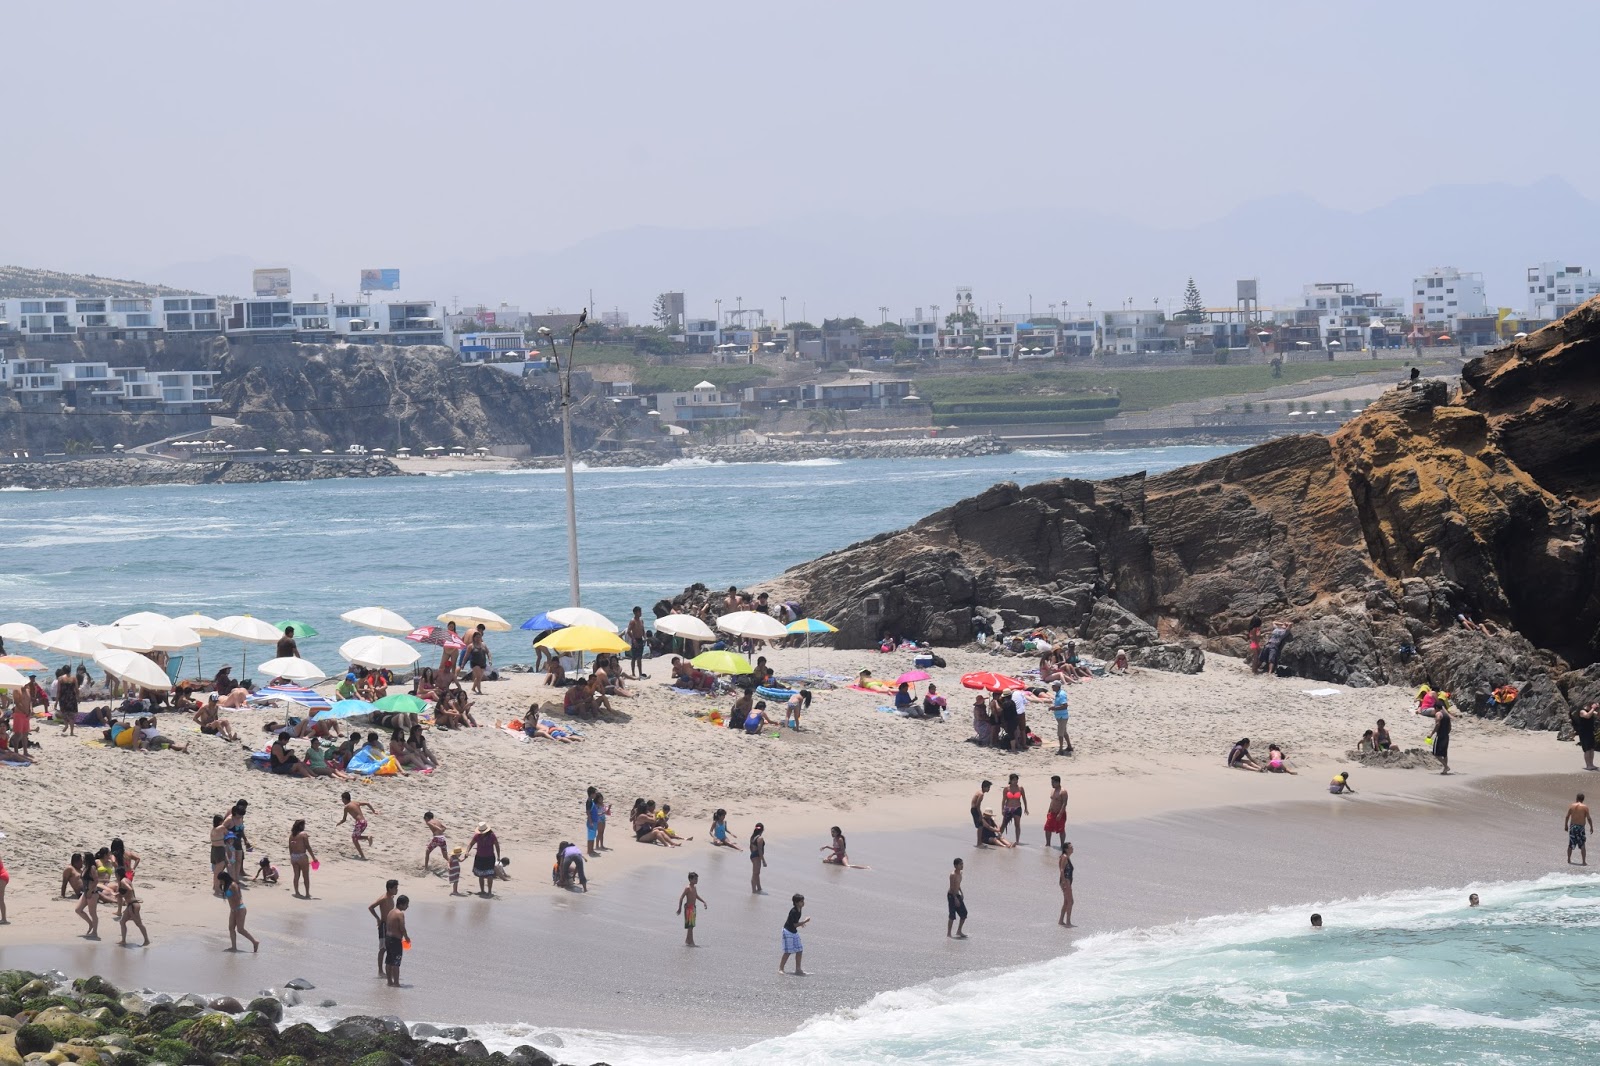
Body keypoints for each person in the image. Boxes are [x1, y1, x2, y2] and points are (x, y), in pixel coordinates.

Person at [219, 871, 258, 952]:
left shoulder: (233, 885)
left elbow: (238, 897)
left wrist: (236, 910)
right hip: (233, 910)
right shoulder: (226, 886)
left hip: (240, 909)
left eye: (221, 880)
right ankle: (234, 947)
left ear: (224, 879)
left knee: (240, 929)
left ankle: (255, 942)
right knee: (231, 928)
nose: (220, 882)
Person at [369, 879, 399, 975]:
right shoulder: (384, 898)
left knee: (389, 948)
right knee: (383, 948)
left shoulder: (391, 897)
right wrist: (378, 918)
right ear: (389, 889)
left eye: (397, 888)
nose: (397, 890)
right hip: (384, 926)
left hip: (390, 926)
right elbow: (371, 907)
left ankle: (388, 970)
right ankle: (380, 971)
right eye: (395, 888)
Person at [338, 792, 378, 858]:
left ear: (345, 799)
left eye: (342, 799)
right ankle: (367, 838)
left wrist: (339, 823)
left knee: (354, 839)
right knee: (355, 837)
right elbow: (367, 803)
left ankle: (362, 855)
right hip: (364, 822)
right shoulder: (355, 802)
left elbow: (344, 819)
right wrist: (373, 811)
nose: (342, 801)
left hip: (360, 823)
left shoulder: (346, 807)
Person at [466, 823, 501, 895]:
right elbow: (471, 844)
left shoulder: (492, 836)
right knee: (480, 874)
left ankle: (489, 891)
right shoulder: (477, 836)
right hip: (479, 857)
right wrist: (467, 851)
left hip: (490, 857)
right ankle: (482, 890)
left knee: (490, 874)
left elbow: (497, 845)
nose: (481, 833)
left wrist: (498, 856)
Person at [779, 893, 809, 975]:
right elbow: (794, 924)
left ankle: (798, 969)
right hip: (788, 931)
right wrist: (804, 921)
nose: (803, 903)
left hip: (794, 931)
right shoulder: (793, 911)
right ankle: (781, 968)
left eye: (803, 901)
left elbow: (795, 923)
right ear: (796, 902)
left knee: (799, 950)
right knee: (788, 951)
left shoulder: (799, 909)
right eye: (801, 901)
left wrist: (801, 923)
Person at [384, 895, 410, 987]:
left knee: (389, 961)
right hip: (395, 940)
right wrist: (406, 938)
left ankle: (389, 982)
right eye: (407, 904)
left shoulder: (391, 912)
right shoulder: (400, 914)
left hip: (388, 938)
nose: (408, 906)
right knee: (396, 963)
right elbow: (402, 927)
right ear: (402, 905)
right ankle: (396, 983)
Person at [677, 871, 707, 946]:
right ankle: (692, 942)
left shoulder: (694, 888)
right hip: (688, 908)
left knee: (691, 926)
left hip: (693, 908)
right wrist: (679, 908)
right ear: (690, 879)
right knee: (690, 926)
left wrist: (703, 901)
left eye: (697, 879)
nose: (697, 880)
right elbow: (681, 898)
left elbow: (696, 896)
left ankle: (688, 941)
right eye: (695, 879)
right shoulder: (687, 888)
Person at [288, 819, 316, 898]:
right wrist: (313, 857)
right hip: (302, 856)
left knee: (296, 875)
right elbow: (307, 846)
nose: (304, 826)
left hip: (294, 856)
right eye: (303, 825)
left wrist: (292, 857)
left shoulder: (291, 835)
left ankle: (297, 892)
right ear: (300, 826)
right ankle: (307, 893)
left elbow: (290, 847)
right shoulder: (303, 834)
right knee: (305, 876)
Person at [999, 773, 1028, 844]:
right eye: (1014, 780)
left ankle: (1017, 840)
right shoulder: (1006, 789)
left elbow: (1024, 798)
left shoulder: (1020, 788)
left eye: (1016, 780)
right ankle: (998, 836)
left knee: (1017, 824)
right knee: (1004, 824)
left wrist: (1026, 808)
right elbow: (1003, 800)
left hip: (1017, 808)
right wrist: (1002, 809)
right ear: (1010, 780)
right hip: (1008, 808)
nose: (1015, 781)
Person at [117, 881, 148, 946]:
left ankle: (146, 940)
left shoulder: (123, 881)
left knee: (139, 924)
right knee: (122, 922)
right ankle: (123, 940)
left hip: (132, 905)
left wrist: (123, 895)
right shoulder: (127, 880)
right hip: (130, 905)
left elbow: (130, 890)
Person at [1567, 793, 1593, 866]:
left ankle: (1569, 859)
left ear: (1577, 798)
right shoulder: (1585, 807)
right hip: (1581, 828)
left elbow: (1567, 816)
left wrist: (1566, 825)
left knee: (1570, 844)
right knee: (1582, 844)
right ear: (1583, 799)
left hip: (1572, 827)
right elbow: (1589, 818)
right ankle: (1583, 861)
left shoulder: (1572, 806)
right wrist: (1591, 827)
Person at [1044, 775, 1068, 849]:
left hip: (1060, 813)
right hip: (1052, 813)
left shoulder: (1063, 791)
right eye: (1051, 782)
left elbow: (1064, 803)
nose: (1052, 784)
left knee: (1061, 829)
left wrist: (1060, 814)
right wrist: (1048, 811)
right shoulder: (1053, 790)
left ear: (1058, 782)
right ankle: (1048, 844)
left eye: (1053, 782)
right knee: (1047, 828)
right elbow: (1052, 801)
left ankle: (1062, 844)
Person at [947, 858, 968, 939]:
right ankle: (948, 933)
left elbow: (958, 885)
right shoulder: (953, 875)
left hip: (957, 895)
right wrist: (955, 898)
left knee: (964, 913)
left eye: (962, 864)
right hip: (951, 895)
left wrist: (961, 893)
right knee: (952, 915)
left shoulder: (960, 874)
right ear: (955, 866)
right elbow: (952, 887)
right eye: (960, 864)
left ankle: (959, 931)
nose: (962, 866)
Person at [1573, 702, 1598, 772]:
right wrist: (1593, 708)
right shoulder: (1582, 711)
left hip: (1590, 732)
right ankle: (1588, 765)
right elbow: (1587, 716)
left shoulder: (1591, 711)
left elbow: (1598, 715)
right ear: (1588, 706)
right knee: (1587, 749)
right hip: (1584, 733)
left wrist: (1597, 709)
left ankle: (1591, 764)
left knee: (1591, 749)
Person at [1429, 704, 1453, 775]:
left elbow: (1437, 724)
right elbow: (1450, 727)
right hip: (1446, 736)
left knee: (1436, 754)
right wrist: (1446, 733)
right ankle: (1445, 770)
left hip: (1440, 736)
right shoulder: (1446, 715)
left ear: (1436, 708)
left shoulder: (1438, 714)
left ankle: (1446, 767)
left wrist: (1431, 734)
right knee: (1444, 754)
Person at [1051, 681, 1073, 755]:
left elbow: (1064, 705)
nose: (1052, 687)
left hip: (1062, 717)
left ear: (1057, 687)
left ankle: (1060, 749)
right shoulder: (1058, 693)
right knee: (1064, 732)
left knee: (1060, 733)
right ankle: (1069, 746)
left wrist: (1054, 708)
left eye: (1053, 686)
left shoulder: (1061, 694)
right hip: (1061, 716)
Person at [627, 606, 649, 679]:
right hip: (635, 640)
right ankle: (633, 673)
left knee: (640, 657)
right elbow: (628, 631)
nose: (641, 613)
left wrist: (645, 638)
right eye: (639, 612)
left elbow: (643, 630)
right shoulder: (633, 621)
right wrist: (633, 640)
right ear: (635, 613)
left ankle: (640, 673)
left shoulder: (641, 621)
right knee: (634, 657)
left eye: (641, 611)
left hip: (640, 640)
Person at [1057, 842, 1075, 928]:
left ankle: (1061, 920)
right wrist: (1064, 883)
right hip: (1066, 881)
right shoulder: (1064, 857)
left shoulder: (1066, 857)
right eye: (1071, 847)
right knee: (1070, 901)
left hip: (1067, 881)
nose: (1072, 848)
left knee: (1067, 901)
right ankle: (1068, 922)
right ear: (1066, 849)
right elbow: (1061, 870)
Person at [971, 780, 992, 846]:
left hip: (973, 809)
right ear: (984, 787)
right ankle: (979, 843)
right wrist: (980, 815)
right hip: (975, 810)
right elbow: (977, 805)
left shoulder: (979, 792)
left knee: (980, 826)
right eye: (988, 787)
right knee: (980, 827)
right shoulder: (981, 794)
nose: (989, 789)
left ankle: (979, 842)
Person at [749, 823, 767, 894]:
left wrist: (752, 854)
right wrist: (763, 861)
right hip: (757, 856)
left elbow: (750, 847)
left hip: (753, 855)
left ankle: (759, 888)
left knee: (757, 873)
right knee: (755, 873)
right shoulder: (760, 838)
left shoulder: (752, 837)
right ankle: (754, 891)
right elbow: (760, 850)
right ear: (762, 830)